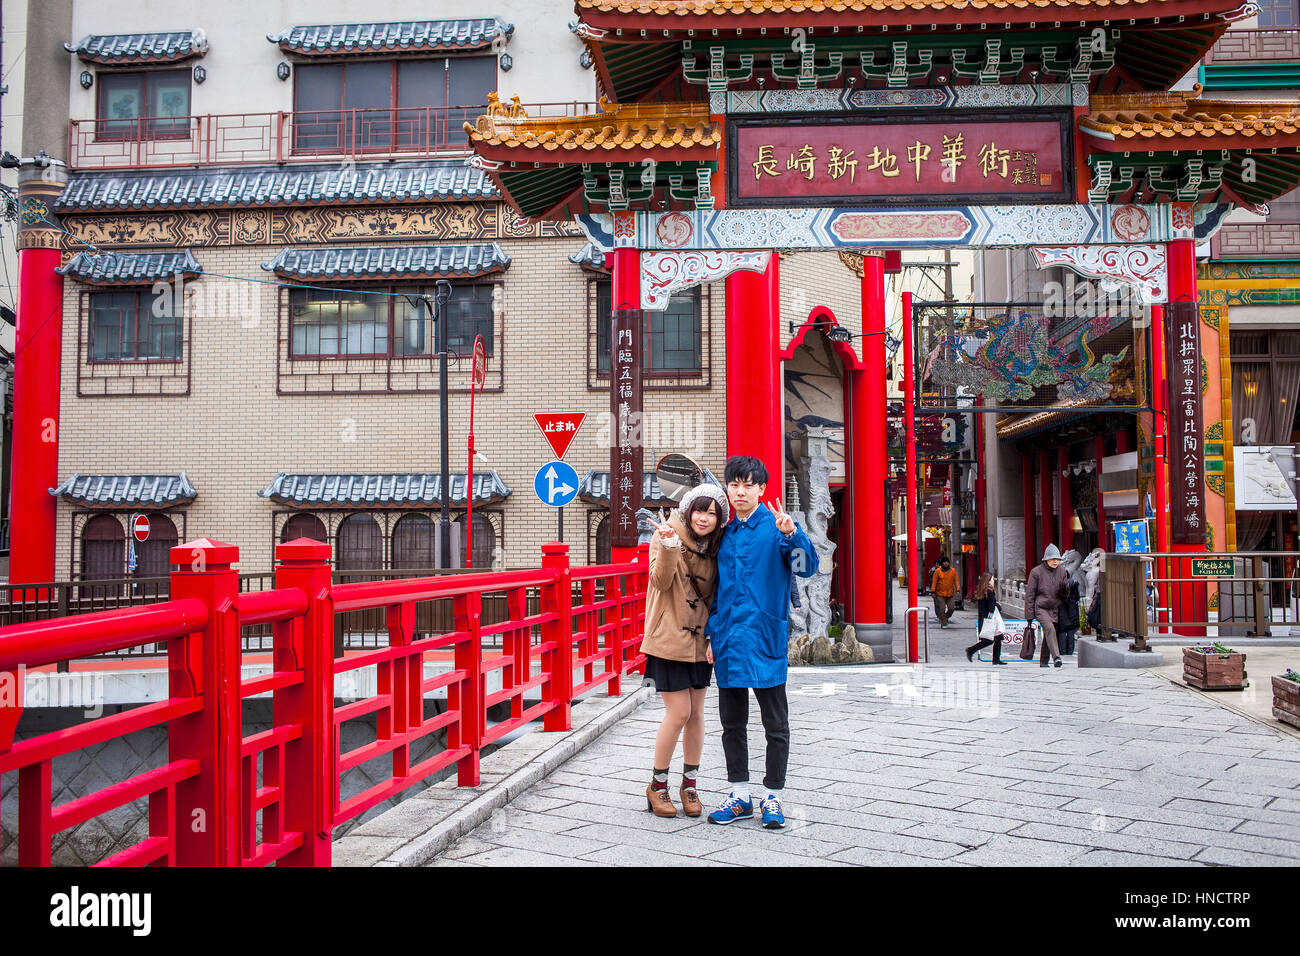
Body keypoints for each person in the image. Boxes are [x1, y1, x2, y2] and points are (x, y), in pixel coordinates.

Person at [705, 455, 818, 830]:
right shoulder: (724, 532)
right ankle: (739, 794)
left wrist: (793, 534)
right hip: (729, 641)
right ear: (727, 488)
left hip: (765, 635)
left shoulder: (777, 527)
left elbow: (806, 567)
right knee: (731, 723)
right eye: (734, 485)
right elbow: (716, 589)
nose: (740, 492)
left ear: (762, 489)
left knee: (775, 723)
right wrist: (712, 633)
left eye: (748, 485)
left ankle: (773, 796)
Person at [640, 483, 728, 818]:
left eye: (712, 513)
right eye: (699, 510)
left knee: (697, 715)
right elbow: (660, 582)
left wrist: (712, 637)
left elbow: (717, 595)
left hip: (700, 641)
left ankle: (689, 784)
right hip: (668, 638)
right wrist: (667, 546)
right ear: (687, 510)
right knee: (678, 713)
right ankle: (657, 786)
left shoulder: (716, 545)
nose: (704, 518)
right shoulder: (666, 534)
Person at [1025, 543, 1070, 668]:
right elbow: (1030, 594)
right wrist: (1029, 615)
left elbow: (1066, 593)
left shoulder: (1062, 571)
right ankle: (1056, 657)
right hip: (1041, 607)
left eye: (1057, 559)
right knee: (1050, 629)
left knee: (1049, 633)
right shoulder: (1036, 572)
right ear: (1046, 559)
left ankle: (1044, 661)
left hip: (1055, 607)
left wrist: (1065, 588)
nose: (1056, 561)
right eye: (1053, 559)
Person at [965, 572, 1007, 665]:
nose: (993, 581)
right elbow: (991, 607)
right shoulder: (989, 592)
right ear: (988, 581)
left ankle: (996, 659)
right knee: (989, 640)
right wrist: (998, 606)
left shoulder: (982, 591)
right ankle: (971, 650)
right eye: (992, 579)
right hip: (990, 619)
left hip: (984, 618)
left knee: (998, 638)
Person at [930, 556, 959, 628]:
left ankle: (944, 618)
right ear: (941, 563)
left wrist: (958, 589)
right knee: (942, 609)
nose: (946, 563)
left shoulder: (953, 571)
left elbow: (956, 581)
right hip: (940, 594)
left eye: (947, 562)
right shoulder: (937, 571)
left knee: (951, 608)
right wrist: (933, 591)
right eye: (944, 562)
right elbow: (934, 582)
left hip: (950, 593)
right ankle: (944, 623)